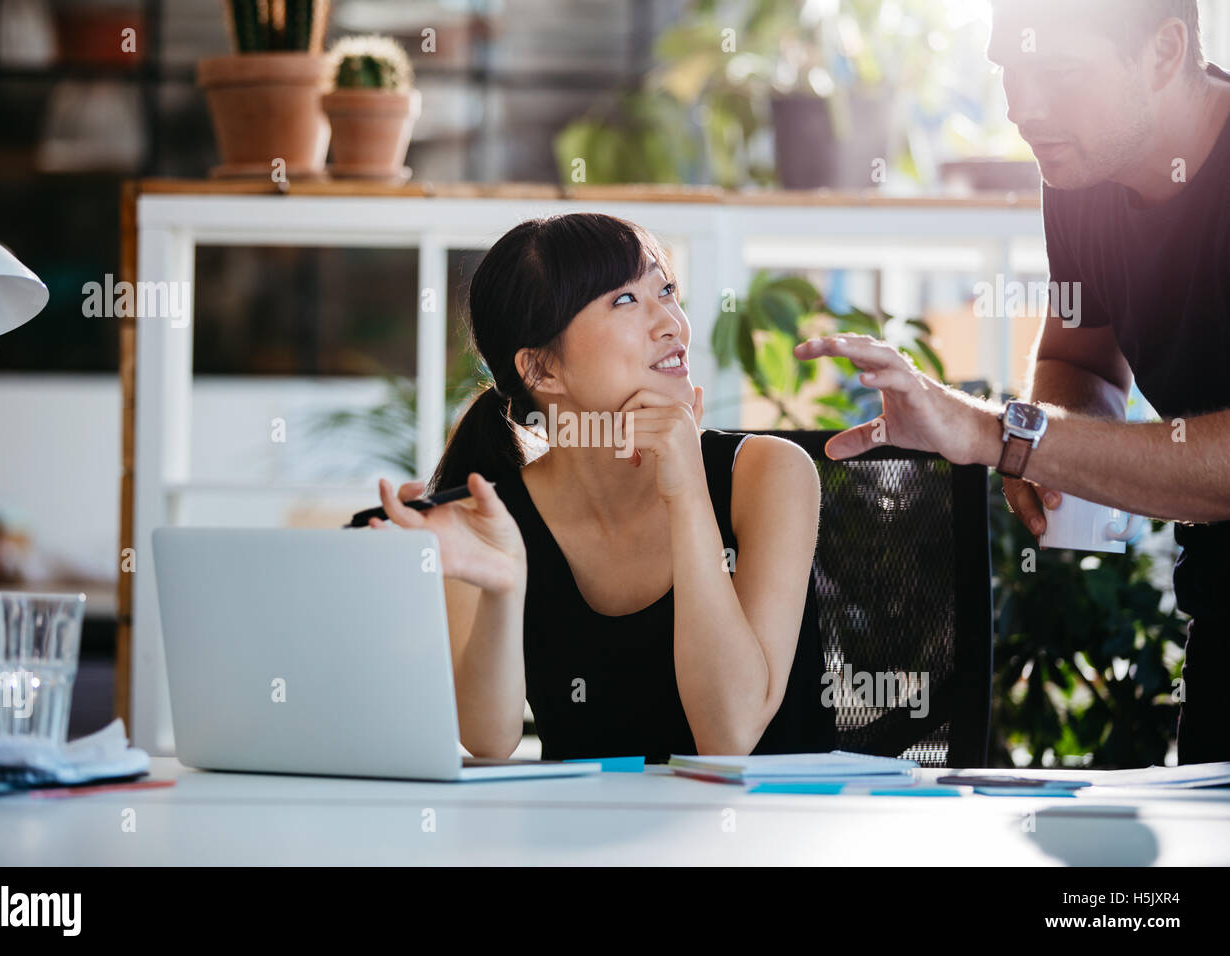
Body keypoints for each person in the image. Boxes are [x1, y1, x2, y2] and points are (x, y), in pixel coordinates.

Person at [796, 0, 1230, 764]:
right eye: (1007, 69)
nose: (1022, 108)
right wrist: (1058, 450)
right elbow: (1084, 359)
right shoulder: (1083, 170)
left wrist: (1007, 435)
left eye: (1058, 73)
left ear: (1165, 53)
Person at [365, 212, 833, 762]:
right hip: (585, 841)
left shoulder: (769, 475)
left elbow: (727, 735)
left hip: (768, 838)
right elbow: (489, 741)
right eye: (625, 301)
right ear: (541, 370)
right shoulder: (490, 517)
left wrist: (685, 493)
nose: (671, 324)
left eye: (667, 291)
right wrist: (501, 588)